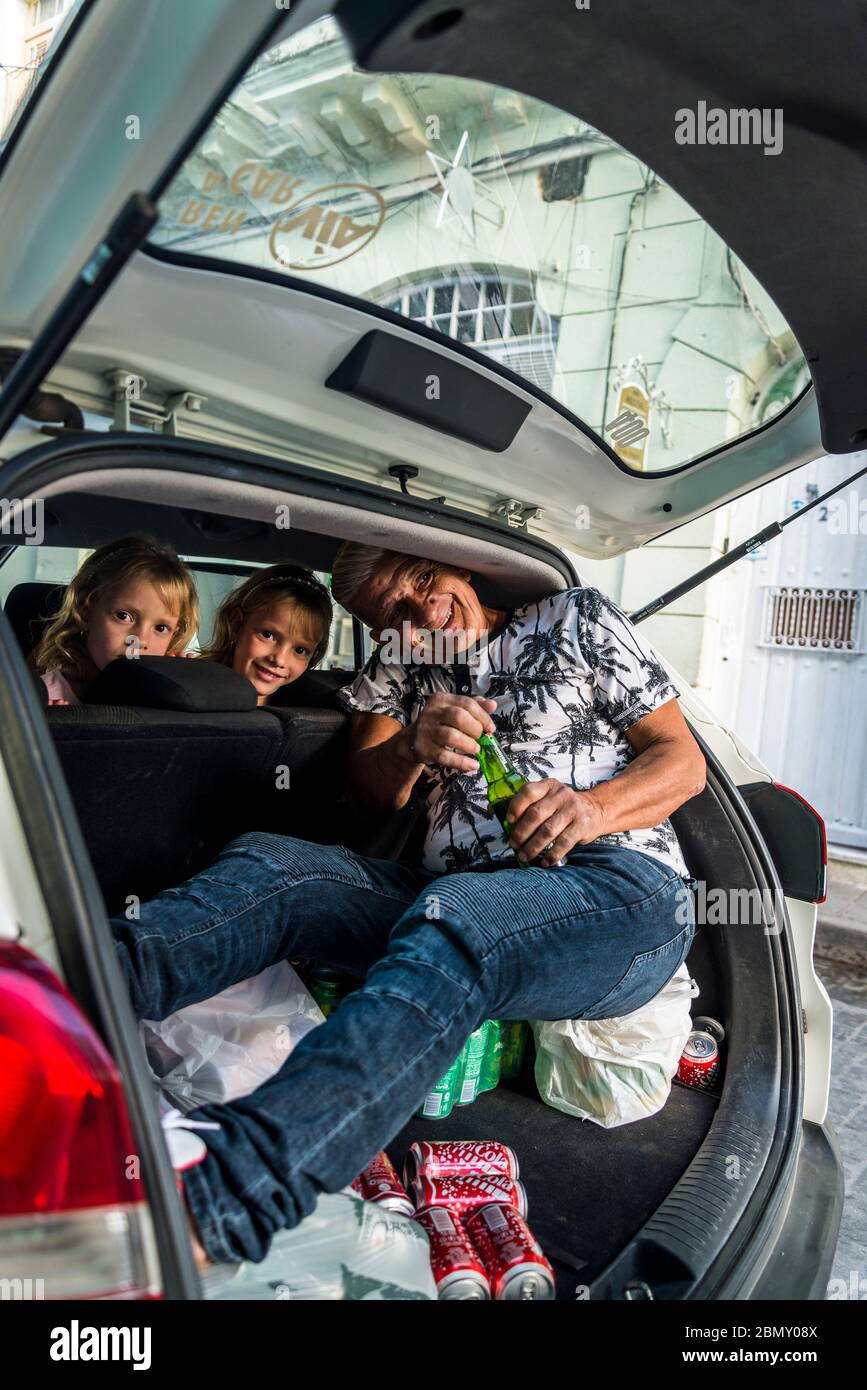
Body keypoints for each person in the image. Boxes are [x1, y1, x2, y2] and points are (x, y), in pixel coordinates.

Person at [110, 544, 705, 1270]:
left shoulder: (576, 617)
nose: (422, 608)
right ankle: (70, 998)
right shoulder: (398, 668)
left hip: (621, 891)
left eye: (424, 578)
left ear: (455, 563)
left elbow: (682, 760)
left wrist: (589, 809)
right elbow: (369, 792)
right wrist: (413, 748)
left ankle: (225, 1197)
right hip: (456, 900)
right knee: (278, 862)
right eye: (392, 611)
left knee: (459, 912)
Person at [30, 536, 199, 705]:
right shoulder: (43, 700)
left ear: (174, 634)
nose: (140, 640)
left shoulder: (160, 694)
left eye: (161, 628)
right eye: (123, 616)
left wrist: (183, 692)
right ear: (86, 613)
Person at [198, 565, 332, 706]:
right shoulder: (195, 685)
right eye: (268, 635)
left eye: (300, 650)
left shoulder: (310, 709)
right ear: (237, 626)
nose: (279, 660)